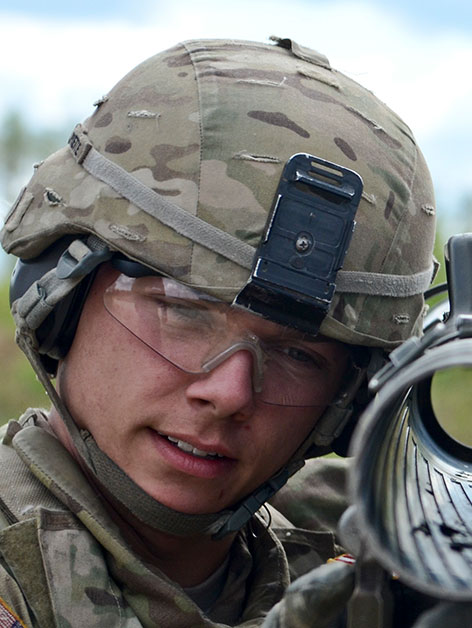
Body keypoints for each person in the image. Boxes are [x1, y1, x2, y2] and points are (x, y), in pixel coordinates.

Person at [0, 37, 436, 626]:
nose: (230, 393)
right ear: (59, 293)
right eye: (182, 312)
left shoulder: (367, 556)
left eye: (298, 354)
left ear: (347, 405)